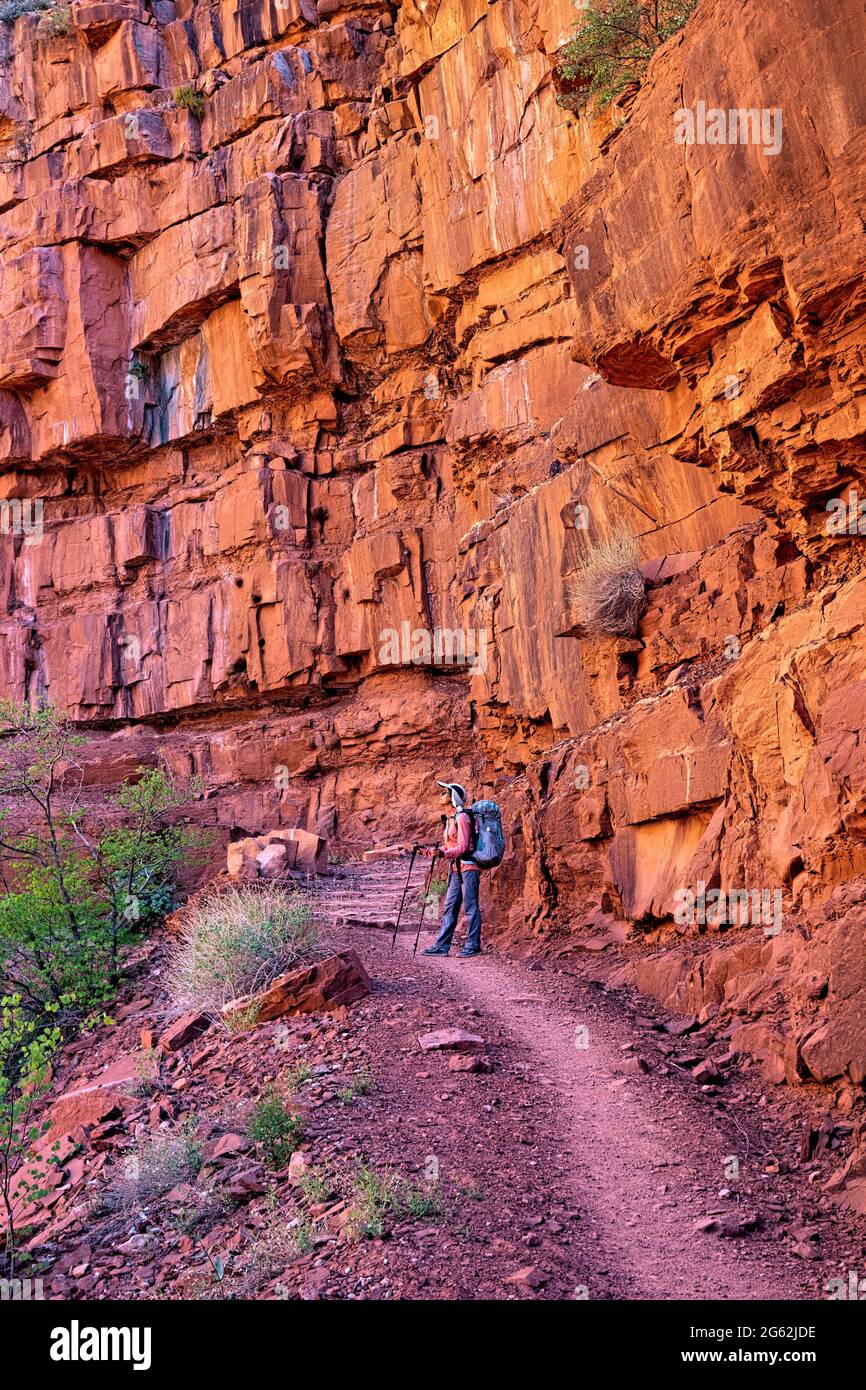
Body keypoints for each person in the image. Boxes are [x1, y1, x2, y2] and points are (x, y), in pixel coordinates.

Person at [422, 780, 482, 958]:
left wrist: (442, 854)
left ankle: (473, 945)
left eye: (445, 792)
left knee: (470, 906)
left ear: (453, 797)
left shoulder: (461, 817)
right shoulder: (449, 819)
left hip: (469, 867)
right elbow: (451, 847)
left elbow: (463, 847)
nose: (441, 795)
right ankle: (442, 946)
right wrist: (433, 852)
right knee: (450, 906)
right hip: (457, 868)